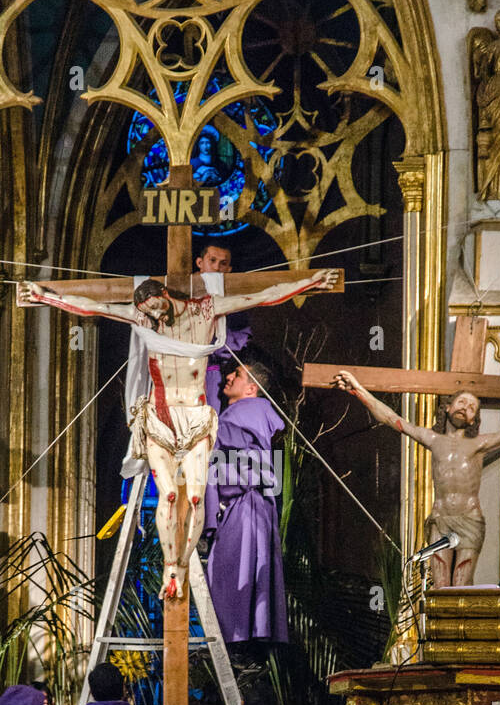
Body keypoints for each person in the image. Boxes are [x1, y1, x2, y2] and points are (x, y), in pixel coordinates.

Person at [23, 262, 336, 598]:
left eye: (158, 309)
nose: (156, 319)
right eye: (149, 314)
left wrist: (308, 281)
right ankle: (169, 565)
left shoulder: (205, 313)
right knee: (170, 495)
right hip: (161, 419)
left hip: (196, 417)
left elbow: (260, 296)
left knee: (197, 496)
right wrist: (48, 298)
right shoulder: (144, 319)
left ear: (165, 295)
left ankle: (181, 566)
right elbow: (94, 307)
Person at [332, 369, 500, 586]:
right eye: (461, 402)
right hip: (441, 518)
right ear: (447, 408)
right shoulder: (432, 439)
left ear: (475, 419)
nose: (465, 408)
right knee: (439, 585)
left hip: (470, 518)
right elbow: (389, 417)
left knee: (462, 583)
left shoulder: (479, 444)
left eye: (472, 407)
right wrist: (359, 390)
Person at [204, 359, 288, 650]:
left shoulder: (248, 411)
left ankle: (240, 646)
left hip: (245, 508)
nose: (228, 377)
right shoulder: (246, 414)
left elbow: (224, 463)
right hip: (252, 508)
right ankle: (247, 647)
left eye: (236, 374)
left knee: (231, 579)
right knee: (244, 578)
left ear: (252, 388)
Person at [193, 238, 251, 413]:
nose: (217, 268)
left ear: (229, 270)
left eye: (223, 263)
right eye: (212, 261)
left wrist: (211, 339)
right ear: (199, 262)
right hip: (176, 370)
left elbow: (240, 339)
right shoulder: (180, 292)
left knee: (206, 426)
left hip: (210, 374)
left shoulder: (234, 304)